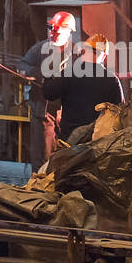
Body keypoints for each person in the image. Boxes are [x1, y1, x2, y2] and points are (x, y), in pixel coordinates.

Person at [41, 32, 124, 146]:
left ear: (84, 50)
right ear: (104, 55)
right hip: (99, 143)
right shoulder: (111, 80)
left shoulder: (69, 73)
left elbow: (48, 93)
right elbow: (120, 111)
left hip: (70, 142)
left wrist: (49, 72)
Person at [20, 11, 77, 165]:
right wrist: (40, 74)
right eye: (51, 28)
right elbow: (23, 65)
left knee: (66, 152)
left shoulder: (75, 52)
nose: (52, 33)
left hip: (66, 112)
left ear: (68, 31)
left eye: (56, 30)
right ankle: (39, 184)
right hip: (44, 111)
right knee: (42, 155)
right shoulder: (40, 48)